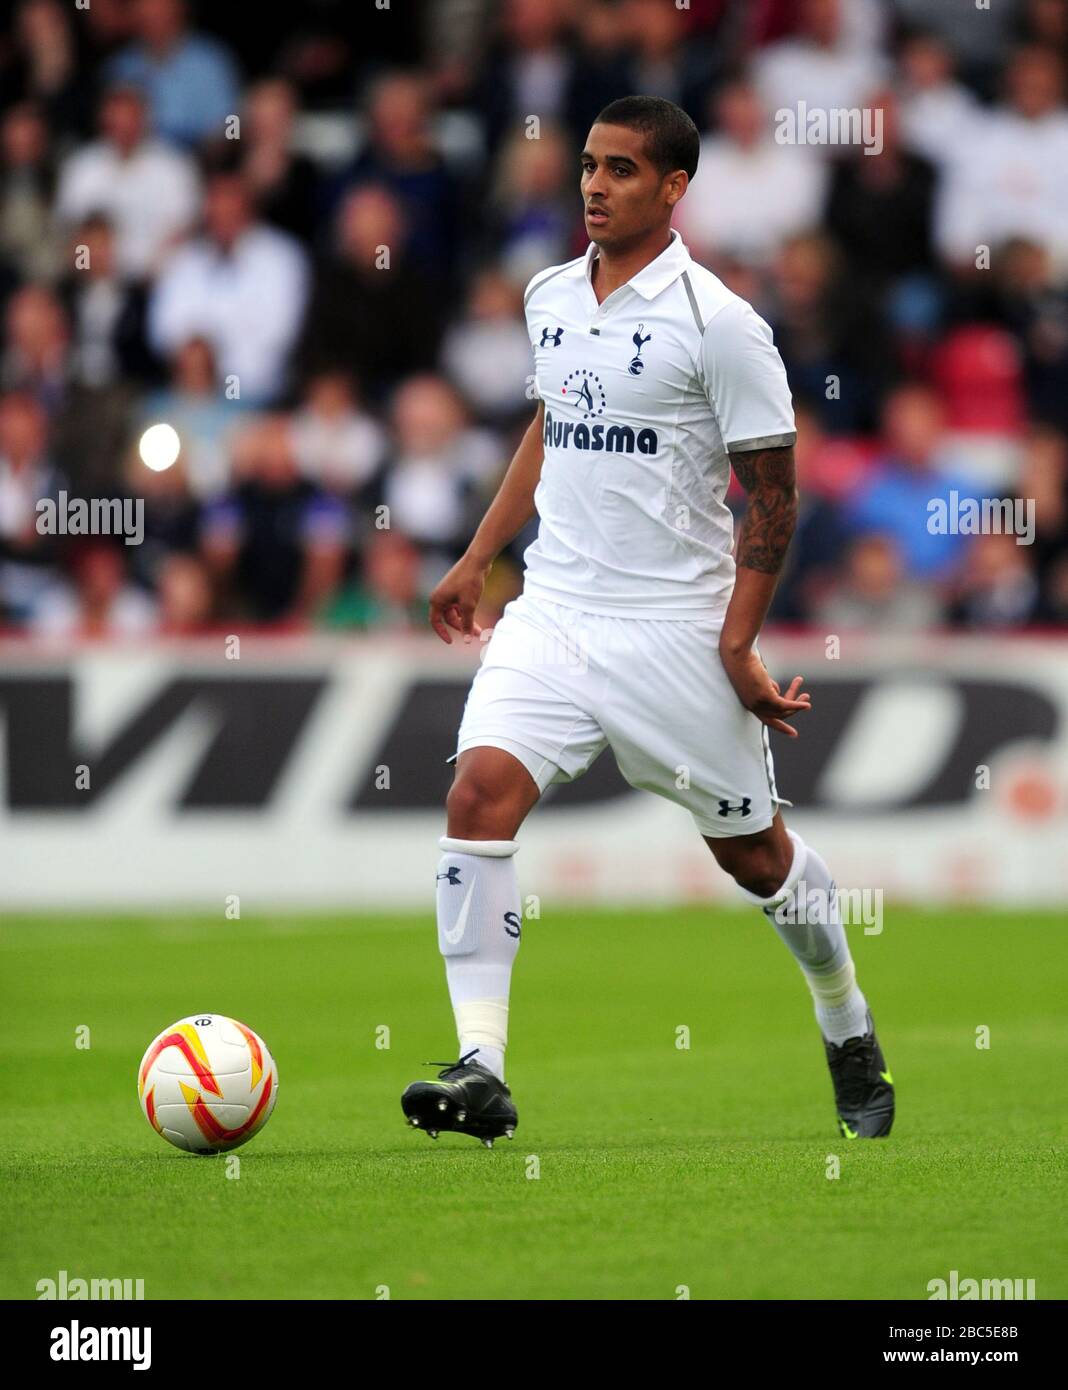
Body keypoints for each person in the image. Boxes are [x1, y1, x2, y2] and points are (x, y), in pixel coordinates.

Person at [400, 95, 894, 1147]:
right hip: (556, 609)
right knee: (478, 795)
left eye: (623, 170)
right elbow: (555, 422)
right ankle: (480, 1063)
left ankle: (844, 1017)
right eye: (588, 164)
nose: (595, 184)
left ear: (675, 189)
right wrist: (481, 556)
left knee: (756, 860)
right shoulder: (547, 293)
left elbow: (775, 495)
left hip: (674, 626)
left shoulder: (722, 324)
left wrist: (735, 641)